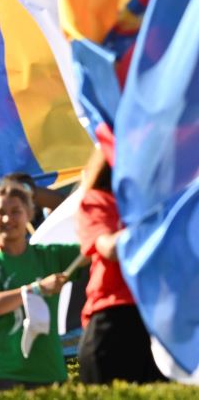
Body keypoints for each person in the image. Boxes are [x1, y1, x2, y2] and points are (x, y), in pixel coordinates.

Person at [0, 179, 82, 392]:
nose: (8, 219)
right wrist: (39, 288)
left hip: (48, 372)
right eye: (0, 212)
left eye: (16, 211)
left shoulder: (50, 255)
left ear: (29, 213)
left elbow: (91, 244)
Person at [77, 150, 163, 384]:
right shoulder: (97, 200)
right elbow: (110, 248)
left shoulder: (165, 203)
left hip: (159, 321)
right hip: (114, 319)